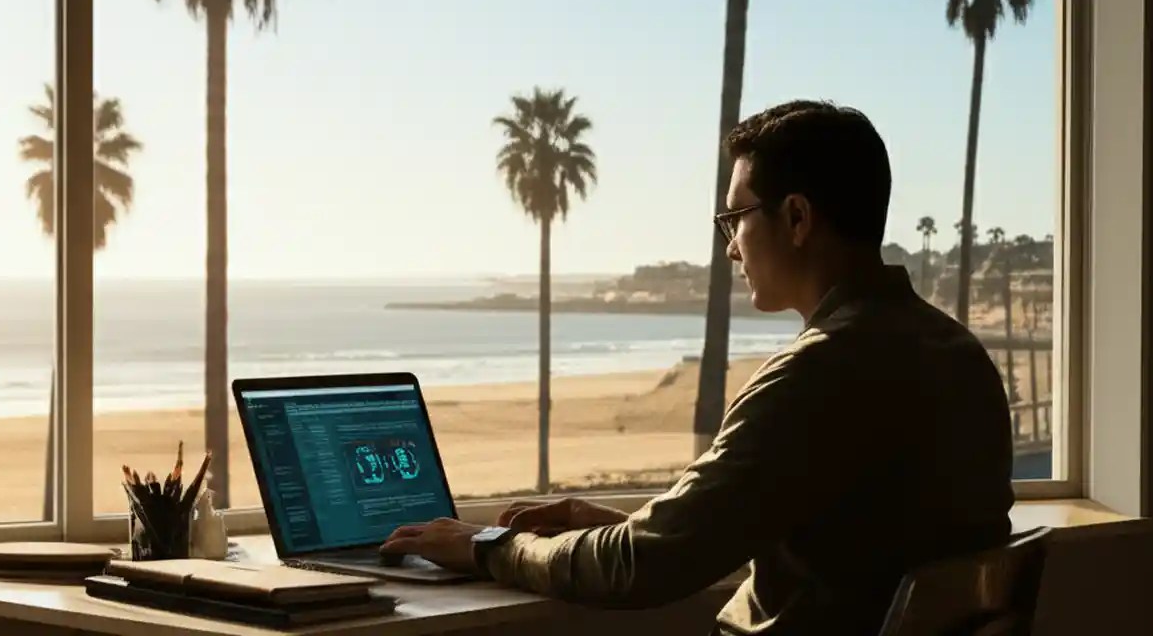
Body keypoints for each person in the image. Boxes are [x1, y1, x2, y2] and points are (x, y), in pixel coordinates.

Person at [381, 100, 1015, 635]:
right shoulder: (957, 355)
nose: (732, 245)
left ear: (796, 218)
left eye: (735, 219)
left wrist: (487, 545)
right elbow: (837, 546)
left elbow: (642, 570)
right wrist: (627, 523)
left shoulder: (818, 375)